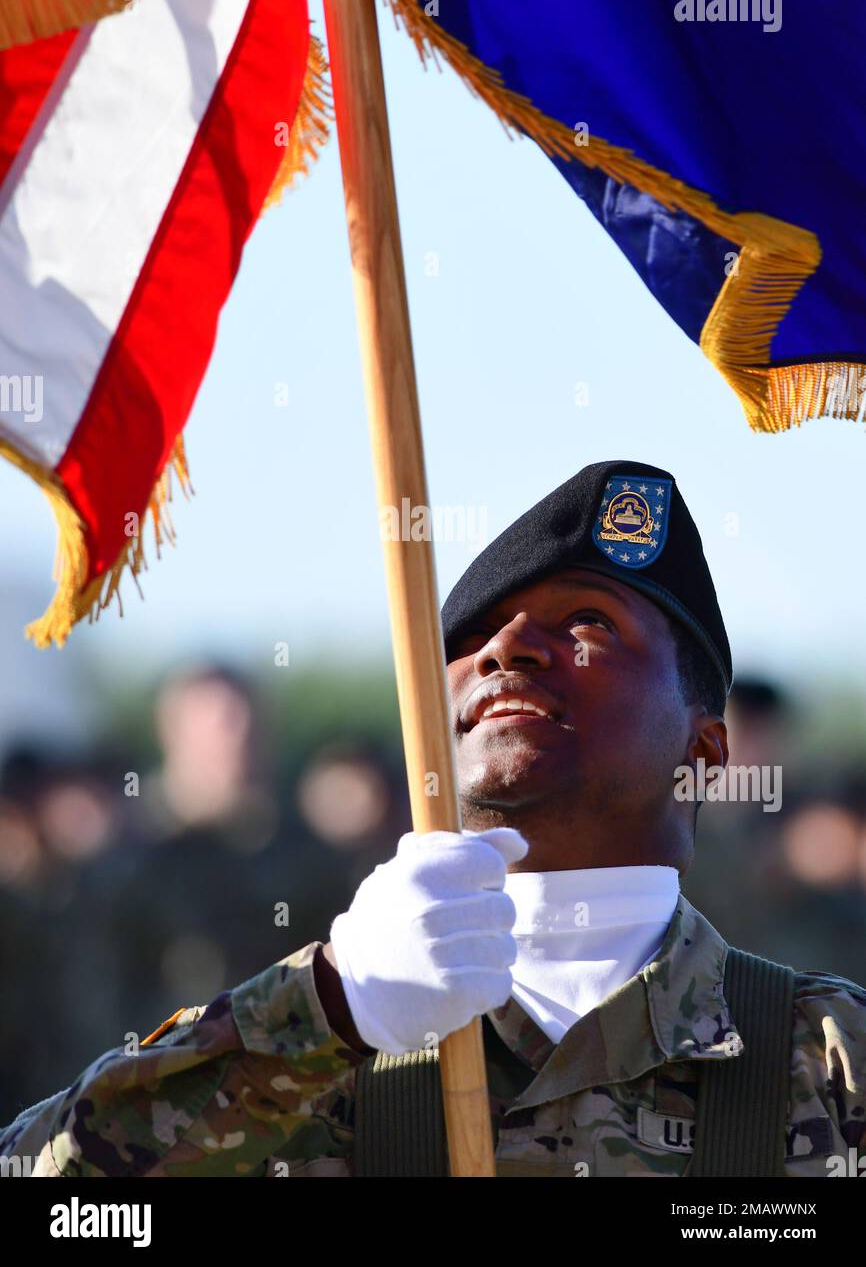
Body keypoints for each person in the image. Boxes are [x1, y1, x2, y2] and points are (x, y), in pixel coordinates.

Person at [2, 460, 864, 1178]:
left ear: (707, 753)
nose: (507, 649)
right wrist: (325, 1009)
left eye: (588, 622)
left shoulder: (832, 1068)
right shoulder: (318, 1055)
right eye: (474, 638)